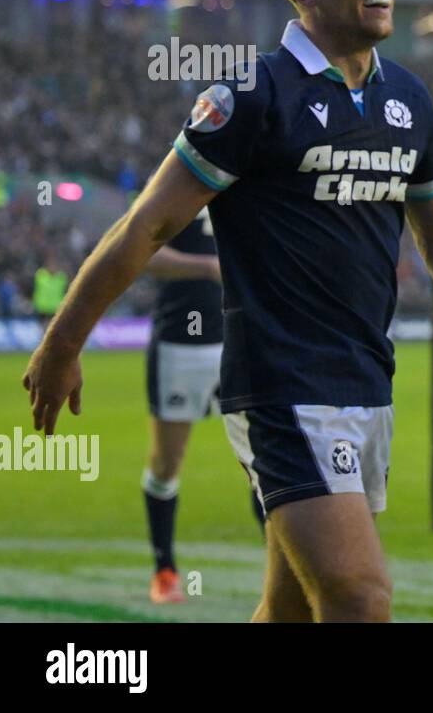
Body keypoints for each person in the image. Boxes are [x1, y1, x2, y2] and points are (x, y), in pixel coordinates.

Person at [22, 0, 433, 622]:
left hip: (366, 379)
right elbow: (144, 227)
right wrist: (62, 341)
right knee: (360, 598)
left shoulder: (406, 99)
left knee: (290, 608)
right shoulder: (251, 96)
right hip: (282, 385)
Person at [139, 206, 259, 604]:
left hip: (242, 337)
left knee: (266, 459)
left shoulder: (251, 178)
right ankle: (165, 570)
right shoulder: (175, 179)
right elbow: (143, 253)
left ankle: (288, 570)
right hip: (181, 342)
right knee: (166, 464)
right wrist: (208, 267)